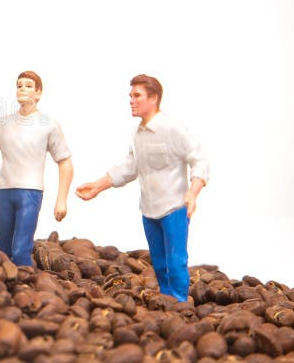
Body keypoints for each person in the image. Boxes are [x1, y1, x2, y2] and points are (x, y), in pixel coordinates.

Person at [75, 74, 209, 302]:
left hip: (174, 209)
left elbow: (199, 160)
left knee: (176, 261)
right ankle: (166, 301)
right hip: (149, 210)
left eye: (137, 96)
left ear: (154, 98)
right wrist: (97, 186)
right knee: (158, 261)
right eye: (131, 96)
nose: (131, 101)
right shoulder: (137, 134)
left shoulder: (171, 129)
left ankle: (179, 304)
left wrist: (193, 192)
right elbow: (129, 167)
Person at [0, 70, 73, 267]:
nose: (22, 90)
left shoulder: (49, 125)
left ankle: (26, 286)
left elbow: (65, 162)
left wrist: (62, 199)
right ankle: (6, 289)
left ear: (38, 92)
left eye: (28, 86)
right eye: (19, 86)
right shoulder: (3, 123)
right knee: (4, 249)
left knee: (20, 249)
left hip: (30, 193)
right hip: (5, 191)